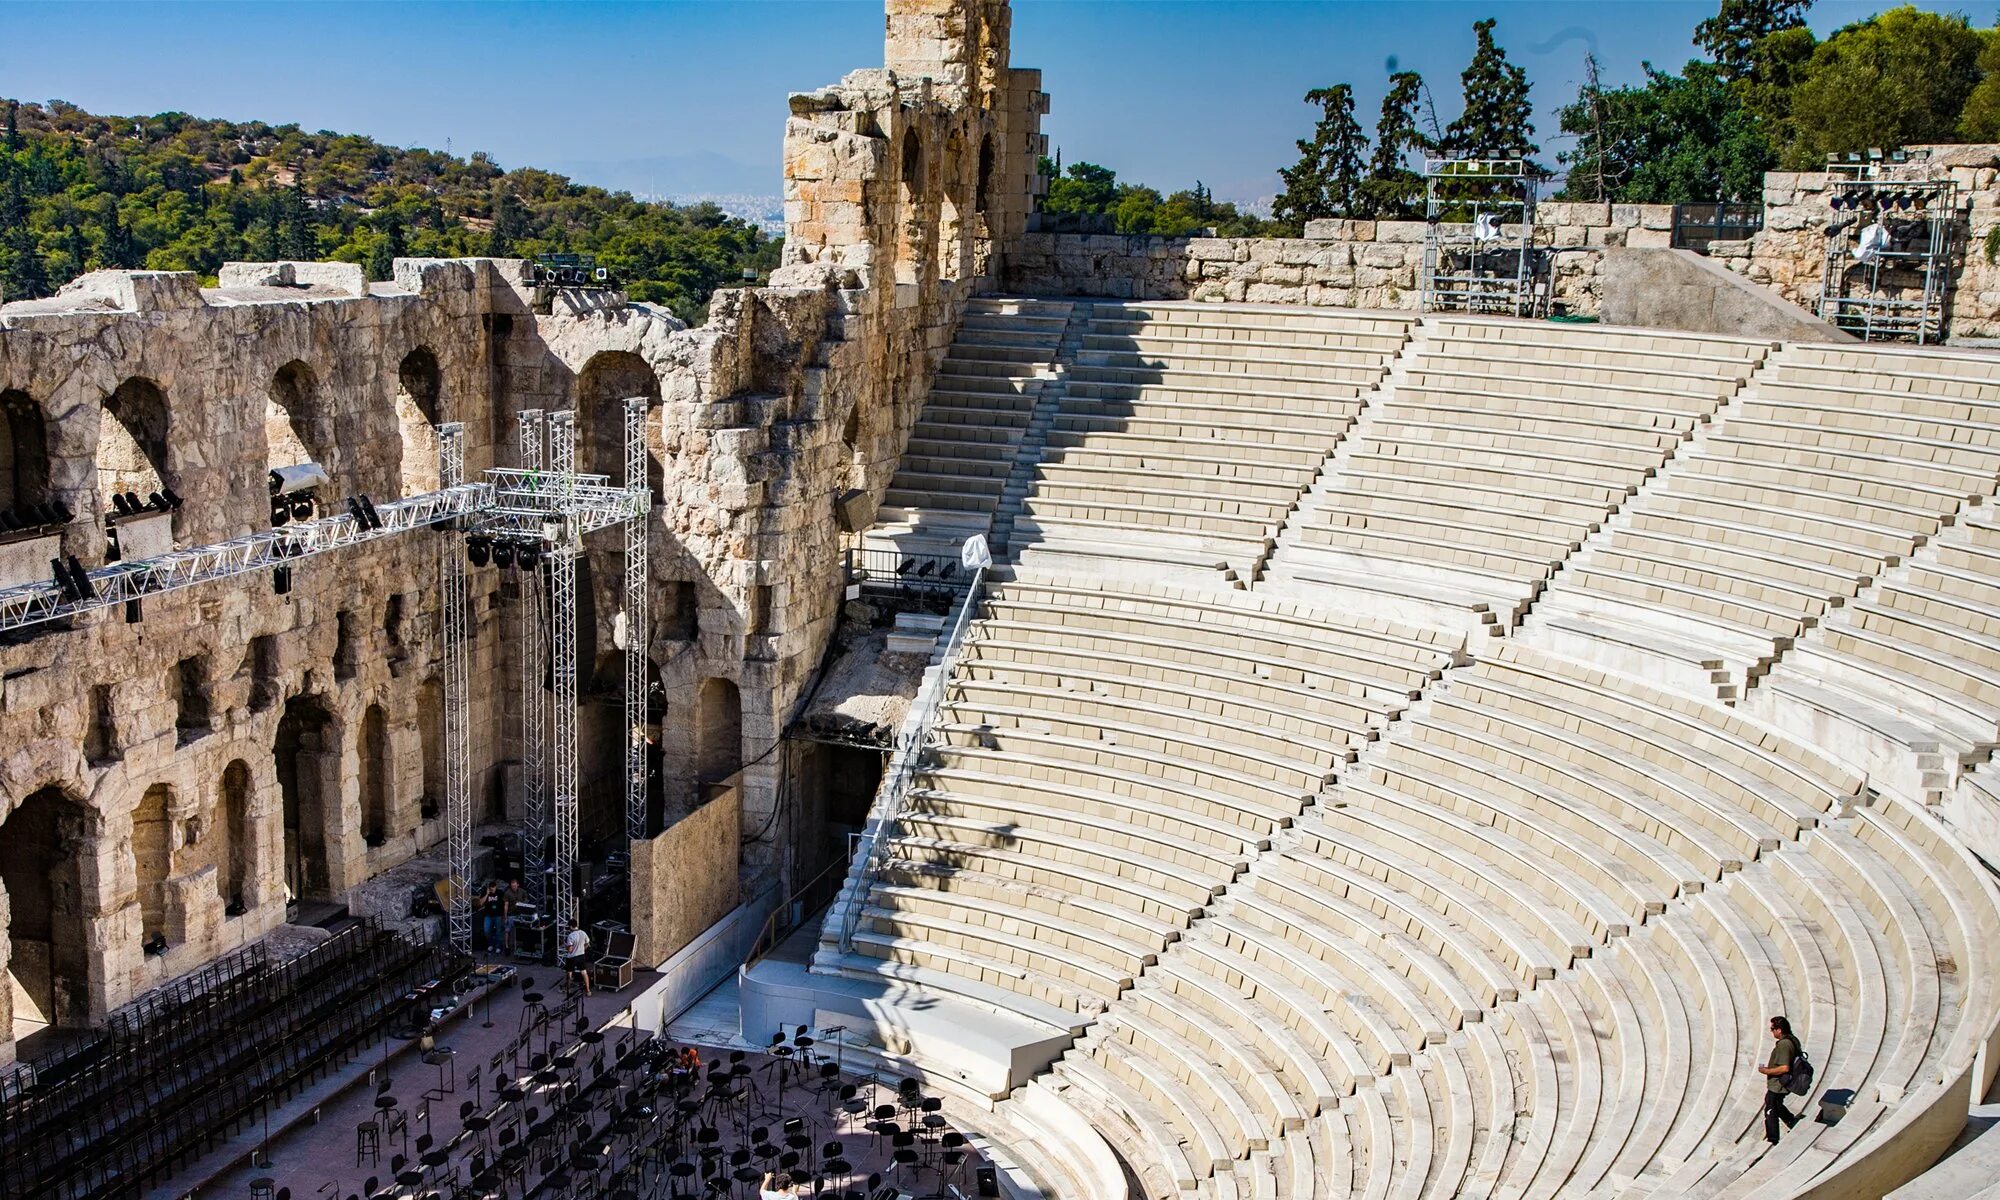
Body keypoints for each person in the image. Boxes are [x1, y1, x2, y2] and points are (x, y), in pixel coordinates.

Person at [1758, 1015, 1803, 1143]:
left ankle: (1772, 1139)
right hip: (1781, 1083)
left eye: (1772, 1029)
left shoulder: (1785, 1044)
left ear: (1779, 1030)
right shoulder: (1793, 1039)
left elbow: (1784, 1068)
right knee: (1776, 1105)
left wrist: (1766, 1071)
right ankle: (1791, 1121)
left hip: (1779, 1084)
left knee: (1770, 1109)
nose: (1771, 1031)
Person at [563, 925, 594, 996]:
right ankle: (588, 991)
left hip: (572, 957)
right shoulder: (583, 933)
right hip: (581, 956)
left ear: (571, 926)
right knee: (584, 972)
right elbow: (587, 943)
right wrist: (582, 949)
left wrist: (566, 946)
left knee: (569, 973)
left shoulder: (570, 936)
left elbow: (570, 950)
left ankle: (568, 990)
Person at [478, 882, 505, 955]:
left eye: (493, 887)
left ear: (496, 886)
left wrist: (504, 915)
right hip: (488, 915)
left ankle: (498, 946)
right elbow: (480, 903)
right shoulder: (485, 893)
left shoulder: (500, 893)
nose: (492, 888)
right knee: (486, 930)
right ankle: (490, 944)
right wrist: (487, 894)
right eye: (491, 887)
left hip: (498, 915)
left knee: (498, 931)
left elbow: (504, 903)